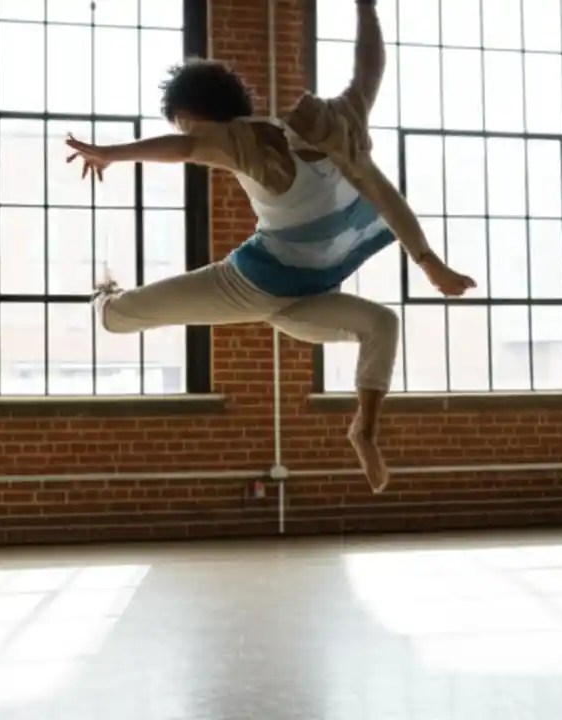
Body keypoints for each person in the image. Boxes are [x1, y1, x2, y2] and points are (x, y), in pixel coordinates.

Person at [64, 0, 475, 494]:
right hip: (255, 282)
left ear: (193, 117)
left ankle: (363, 428)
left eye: (182, 122)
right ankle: (105, 299)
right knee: (120, 315)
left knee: (382, 323)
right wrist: (366, 9)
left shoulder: (259, 139)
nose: (186, 132)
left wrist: (112, 152)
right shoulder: (323, 126)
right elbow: (369, 68)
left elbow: (187, 147)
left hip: (299, 296)